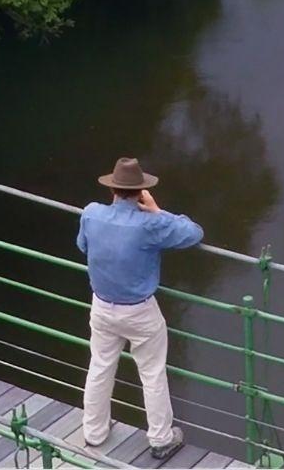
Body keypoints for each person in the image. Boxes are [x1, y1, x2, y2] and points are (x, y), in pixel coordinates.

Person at [75, 156, 203, 462]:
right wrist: (158, 211)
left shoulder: (91, 214)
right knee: (152, 373)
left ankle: (94, 432)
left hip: (102, 306)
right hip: (140, 312)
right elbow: (194, 233)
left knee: (100, 366)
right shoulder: (150, 224)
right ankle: (160, 439)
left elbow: (83, 246)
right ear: (141, 191)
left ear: (112, 190)